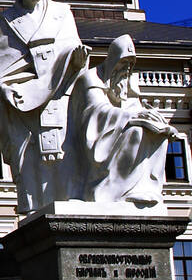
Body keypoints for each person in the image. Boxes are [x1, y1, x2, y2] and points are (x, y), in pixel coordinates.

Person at [0, 0, 91, 213]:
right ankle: (36, 211)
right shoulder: (9, 20)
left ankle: (70, 205)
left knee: (66, 153)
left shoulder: (61, 12)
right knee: (33, 159)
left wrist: (77, 60)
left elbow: (72, 47)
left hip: (62, 94)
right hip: (26, 100)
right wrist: (14, 88)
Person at [65, 34, 179, 206]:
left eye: (130, 65)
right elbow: (95, 112)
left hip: (118, 128)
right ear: (113, 62)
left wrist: (156, 121)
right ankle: (115, 190)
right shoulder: (91, 79)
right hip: (97, 138)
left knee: (157, 134)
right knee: (136, 132)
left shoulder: (126, 83)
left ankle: (144, 188)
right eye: (123, 63)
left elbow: (136, 107)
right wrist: (132, 117)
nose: (126, 70)